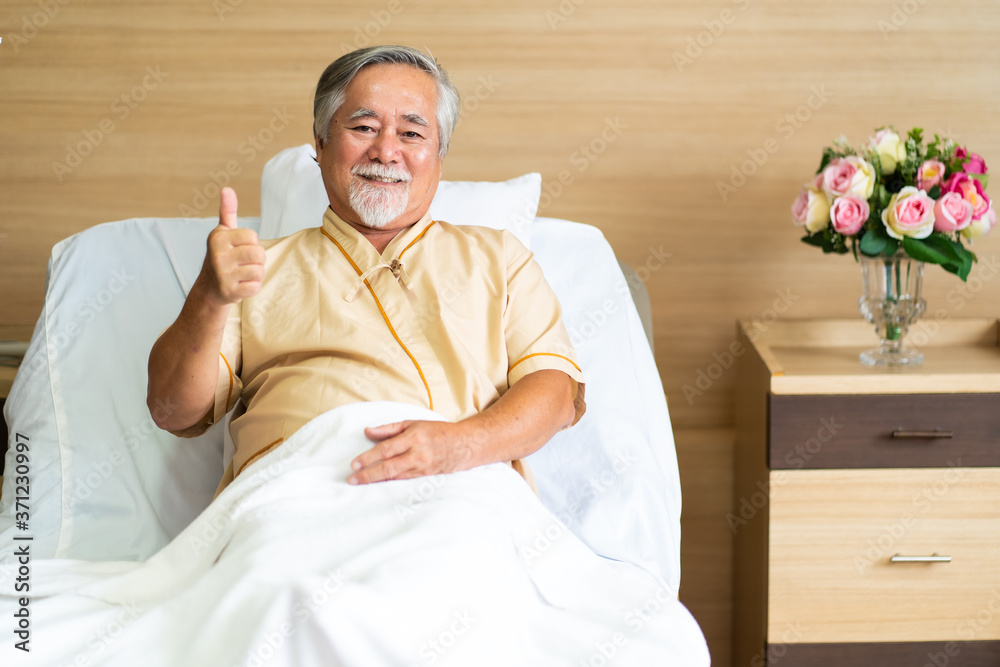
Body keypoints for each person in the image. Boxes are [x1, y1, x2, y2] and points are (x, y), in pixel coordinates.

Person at [146, 45, 585, 497]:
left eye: (412, 134)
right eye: (364, 127)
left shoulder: (499, 257)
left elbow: (555, 395)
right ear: (320, 143)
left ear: (439, 156)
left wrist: (457, 447)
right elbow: (172, 411)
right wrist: (209, 297)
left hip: (457, 491)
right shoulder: (252, 268)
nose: (386, 151)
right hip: (292, 499)